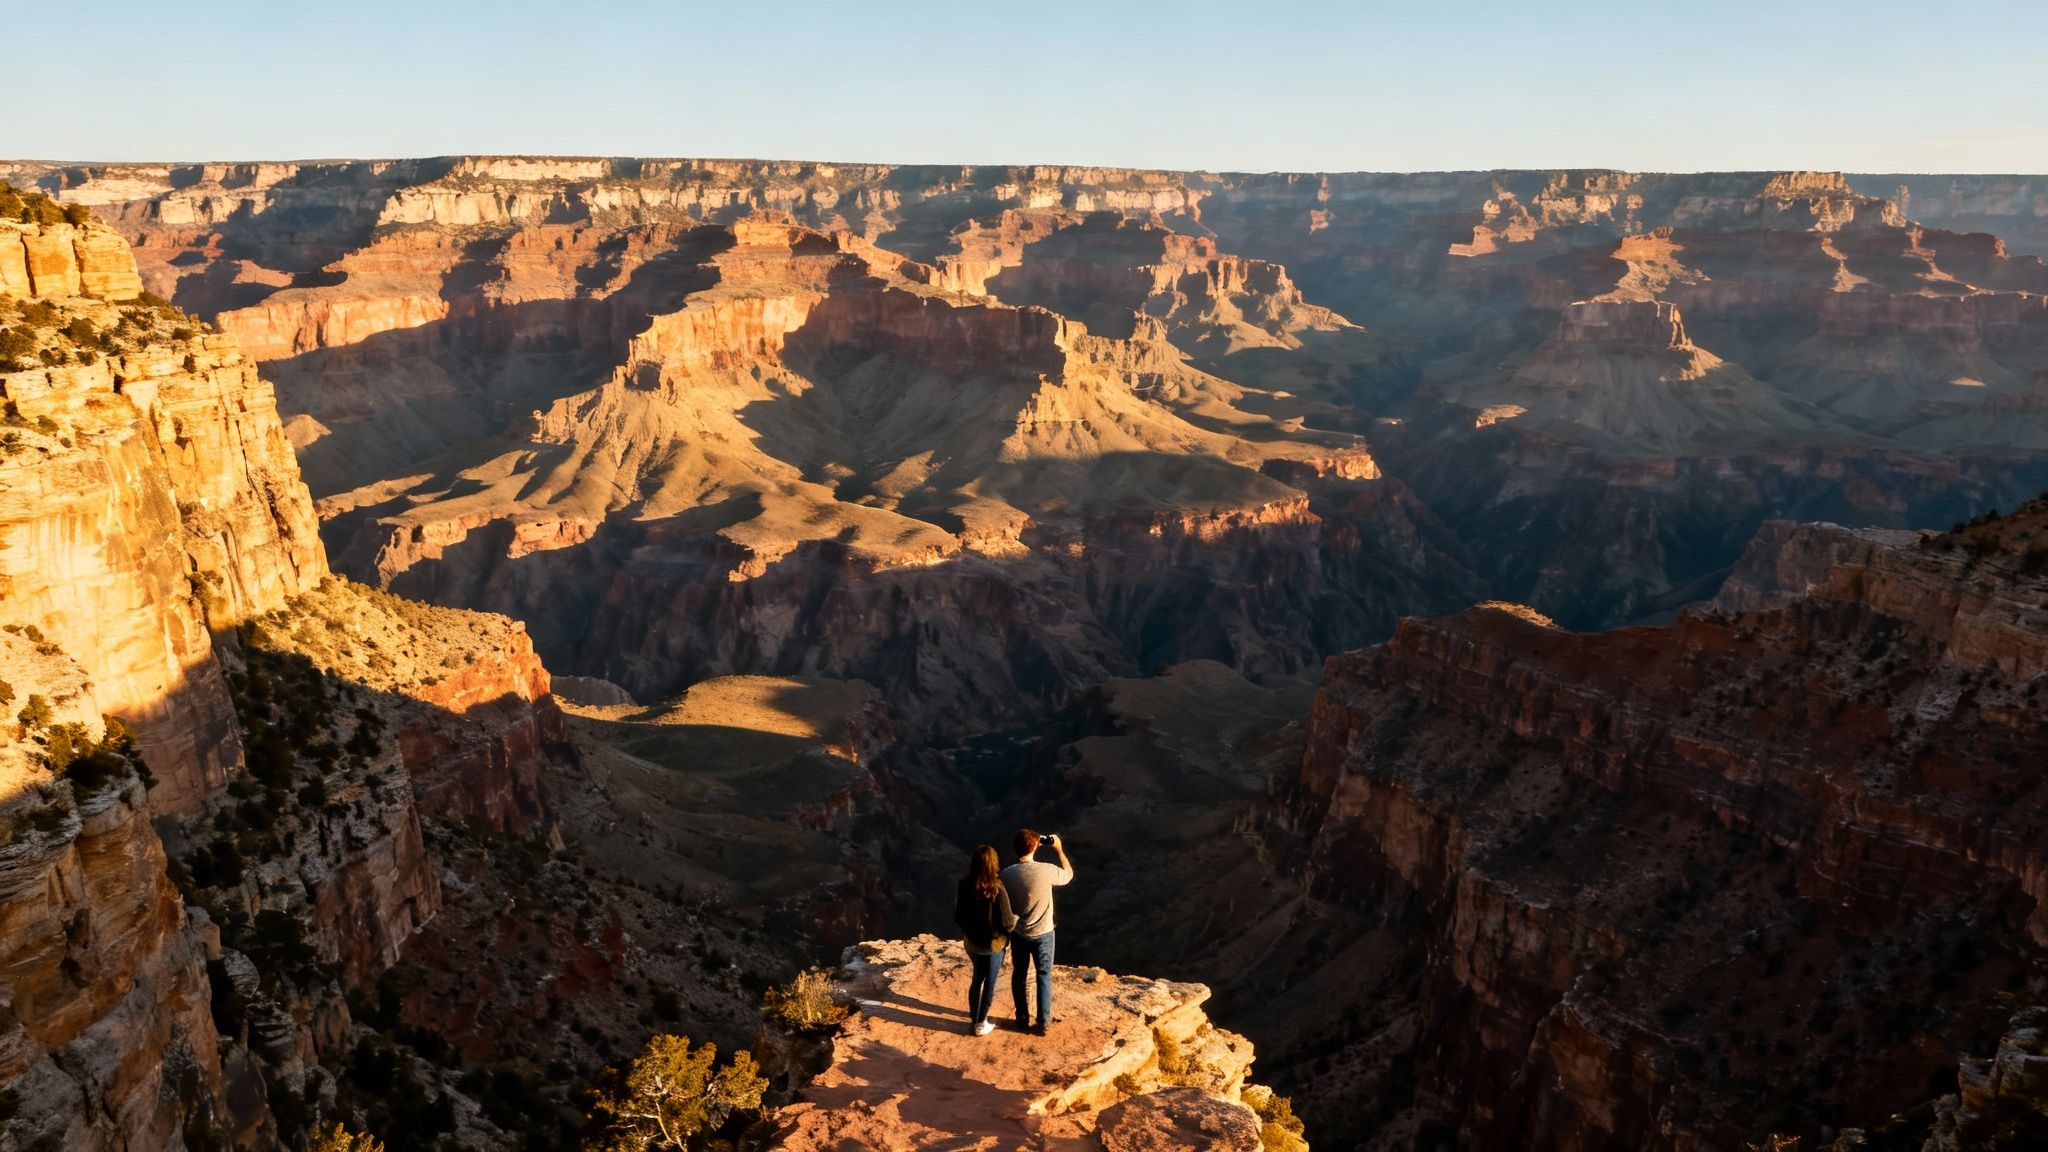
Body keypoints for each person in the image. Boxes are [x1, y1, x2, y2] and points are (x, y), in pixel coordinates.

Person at [999, 828, 1074, 1036]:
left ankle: (1022, 1018)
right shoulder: (1046, 870)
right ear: (1034, 847)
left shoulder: (1006, 875)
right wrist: (1059, 850)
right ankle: (1043, 1023)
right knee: (1043, 975)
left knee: (1019, 975)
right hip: (1044, 933)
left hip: (1019, 933)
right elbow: (1068, 875)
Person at [952, 844, 1016, 1036]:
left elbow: (959, 918)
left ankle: (975, 1019)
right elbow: (1007, 922)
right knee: (990, 983)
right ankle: (981, 1024)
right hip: (993, 945)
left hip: (972, 944)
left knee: (977, 979)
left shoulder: (964, 884)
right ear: (993, 864)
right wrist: (1015, 922)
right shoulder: (997, 887)